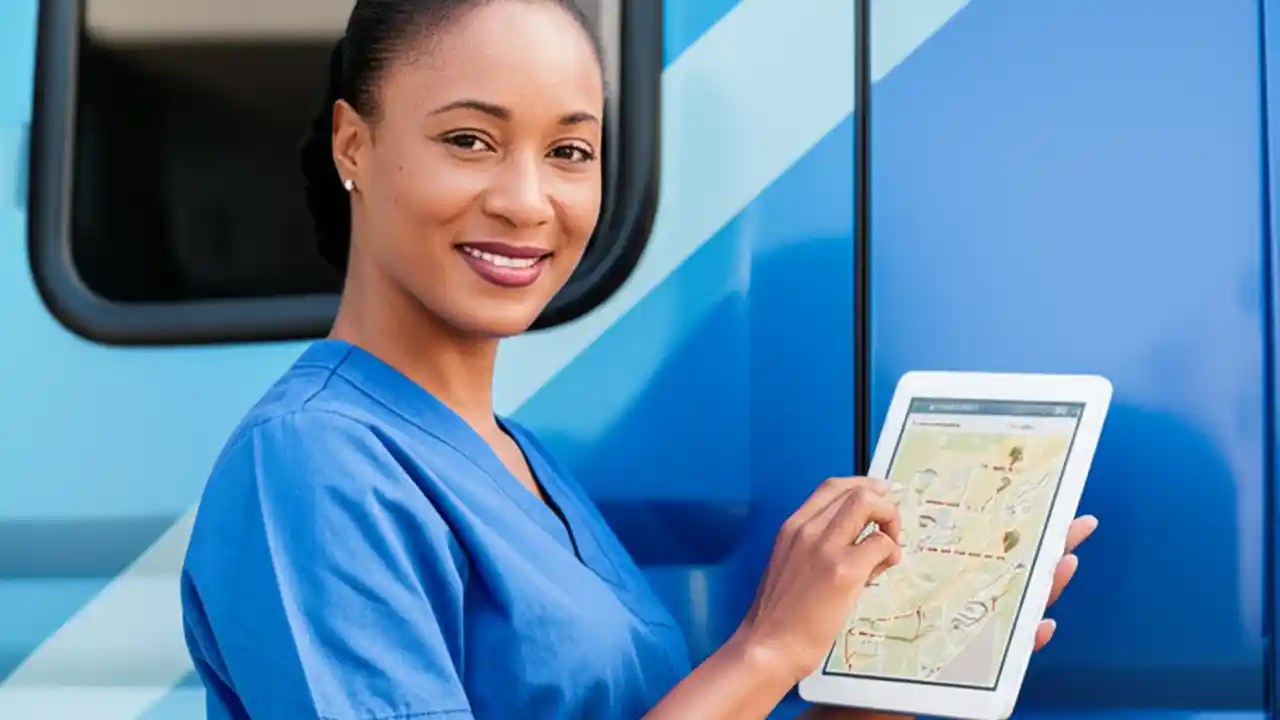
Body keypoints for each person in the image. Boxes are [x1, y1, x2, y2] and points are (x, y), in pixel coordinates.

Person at [179, 1, 1097, 718]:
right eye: (470, 140)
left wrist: (884, 672)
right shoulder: (310, 462)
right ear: (355, 144)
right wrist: (768, 649)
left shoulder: (521, 462)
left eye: (570, 150)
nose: (528, 201)